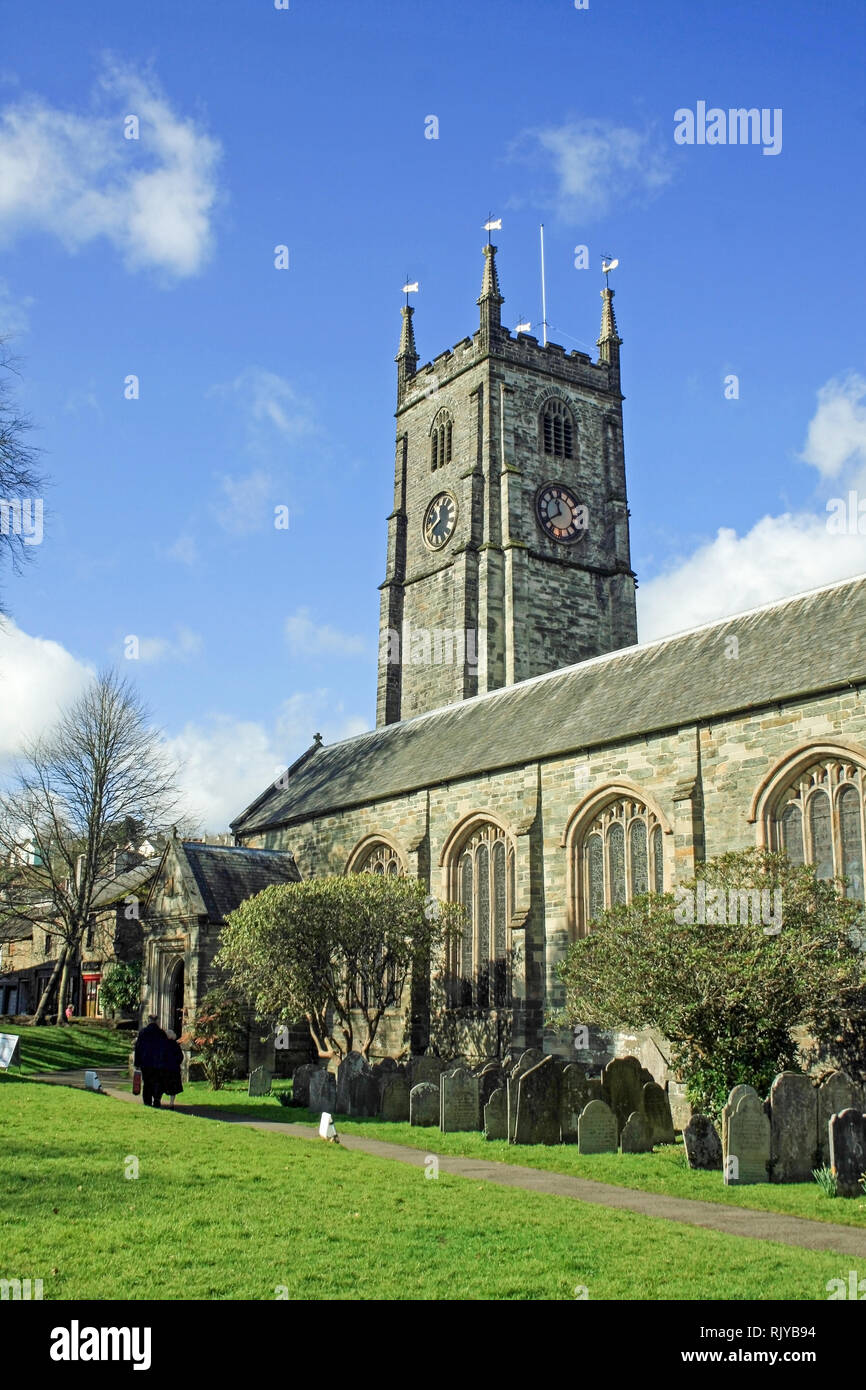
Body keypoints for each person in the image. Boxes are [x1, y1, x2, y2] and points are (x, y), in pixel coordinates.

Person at [134, 1015, 166, 1108]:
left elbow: (138, 1048)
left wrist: (137, 1063)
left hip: (145, 1062)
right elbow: (165, 1049)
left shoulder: (143, 1033)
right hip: (158, 1063)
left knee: (147, 1082)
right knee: (157, 1082)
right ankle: (156, 1100)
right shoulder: (161, 1033)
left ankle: (147, 1101)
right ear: (157, 1021)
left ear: (148, 1021)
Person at [160, 1028, 184, 1109]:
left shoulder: (162, 1045)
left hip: (164, 1069)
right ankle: (171, 1103)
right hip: (174, 1069)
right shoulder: (176, 1045)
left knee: (161, 1086)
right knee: (173, 1088)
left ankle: (157, 1101)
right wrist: (176, 1063)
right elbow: (181, 1057)